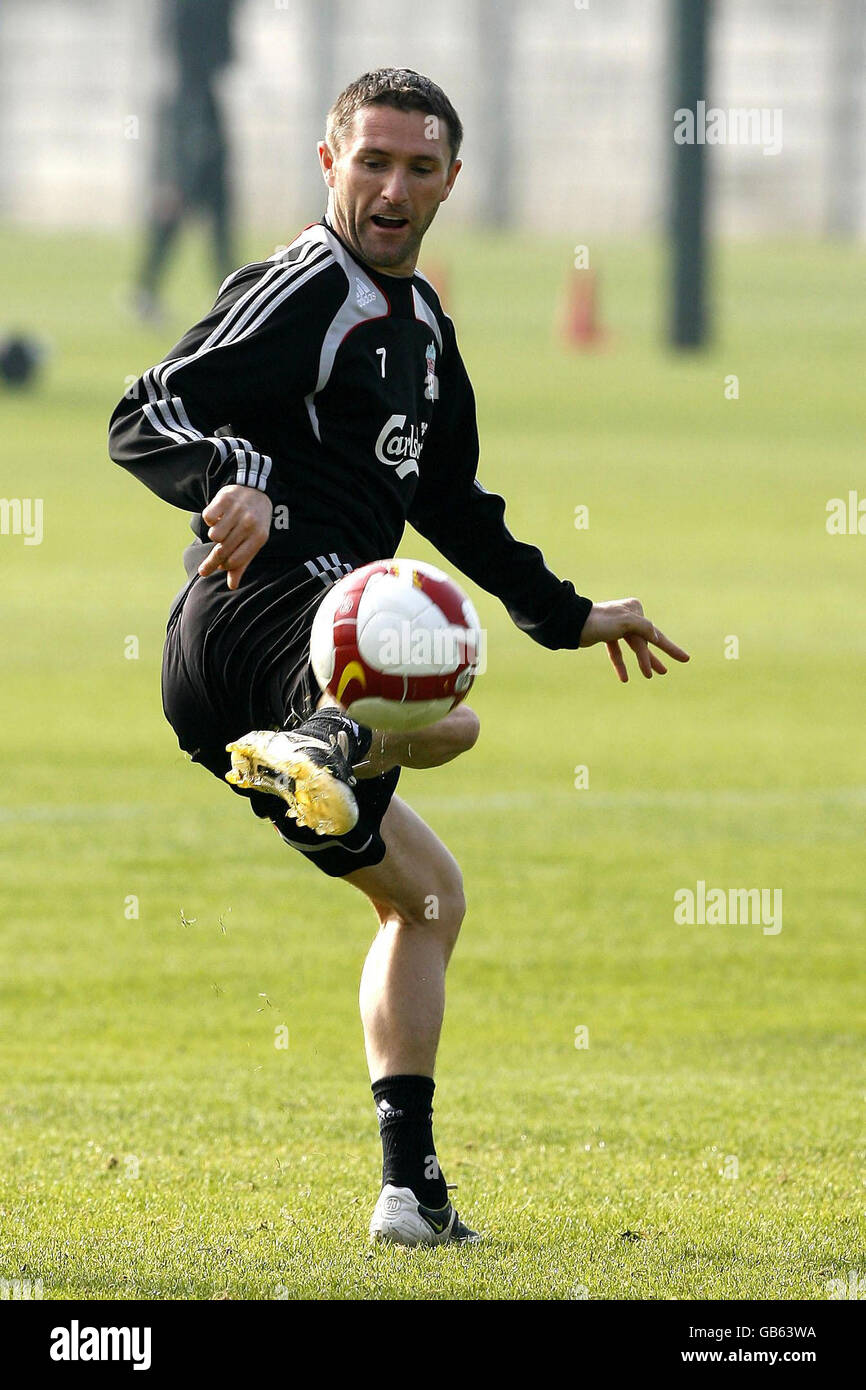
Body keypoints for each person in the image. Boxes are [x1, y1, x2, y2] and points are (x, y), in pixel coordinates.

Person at [109, 68, 689, 1246]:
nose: (391, 186)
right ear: (330, 164)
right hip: (259, 613)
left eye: (417, 168)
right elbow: (145, 408)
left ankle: (406, 1189)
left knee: (426, 899)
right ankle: (320, 736)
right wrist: (237, 483)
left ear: (449, 183)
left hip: (270, 667)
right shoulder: (302, 287)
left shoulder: (423, 333)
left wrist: (572, 614)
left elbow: (457, 509)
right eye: (369, 161)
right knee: (454, 715)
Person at [134, 0, 237, 322]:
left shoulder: (200, 90)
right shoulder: (188, 86)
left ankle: (230, 293)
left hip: (201, 108)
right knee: (177, 205)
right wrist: (172, 173)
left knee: (218, 214)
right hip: (192, 110)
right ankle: (147, 290)